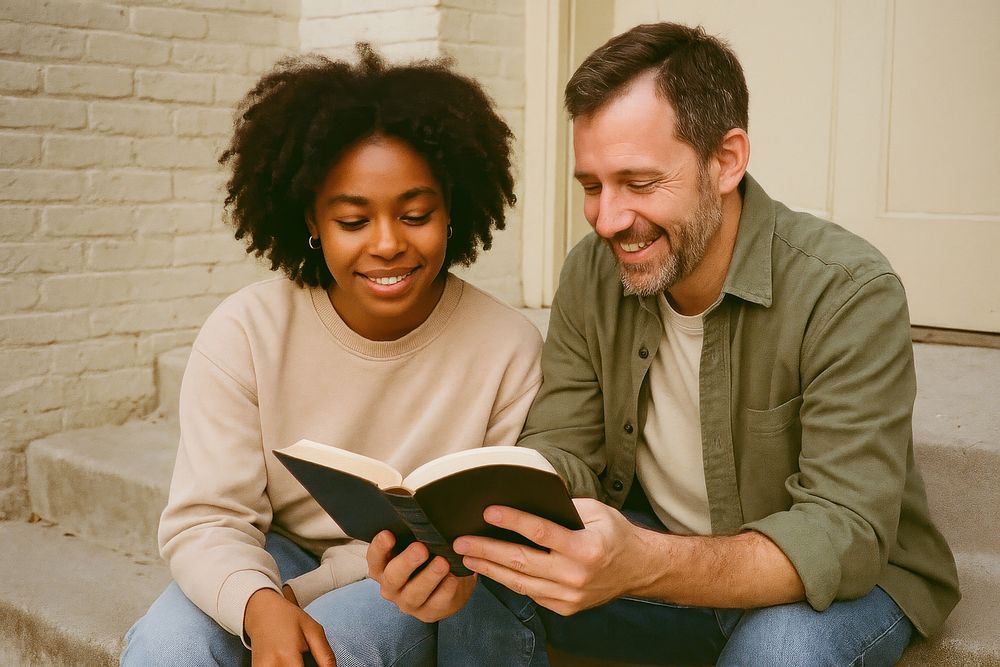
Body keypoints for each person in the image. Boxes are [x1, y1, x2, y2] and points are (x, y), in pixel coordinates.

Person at [390, 22, 960, 666]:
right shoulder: (591, 272)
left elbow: (845, 532)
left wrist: (644, 561)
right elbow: (566, 447)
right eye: (591, 186)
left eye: (638, 183)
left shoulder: (848, 290)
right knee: (491, 574)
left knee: (780, 652)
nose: (608, 220)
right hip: (662, 557)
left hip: (829, 587)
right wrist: (482, 509)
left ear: (727, 160)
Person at [120, 45, 543, 666]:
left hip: (403, 577)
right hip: (271, 550)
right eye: (352, 221)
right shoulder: (247, 331)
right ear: (312, 222)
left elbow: (475, 545)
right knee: (168, 648)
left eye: (416, 214)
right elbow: (208, 520)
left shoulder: (508, 348)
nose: (388, 244)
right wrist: (260, 602)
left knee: (335, 652)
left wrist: (303, 595)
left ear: (452, 209)